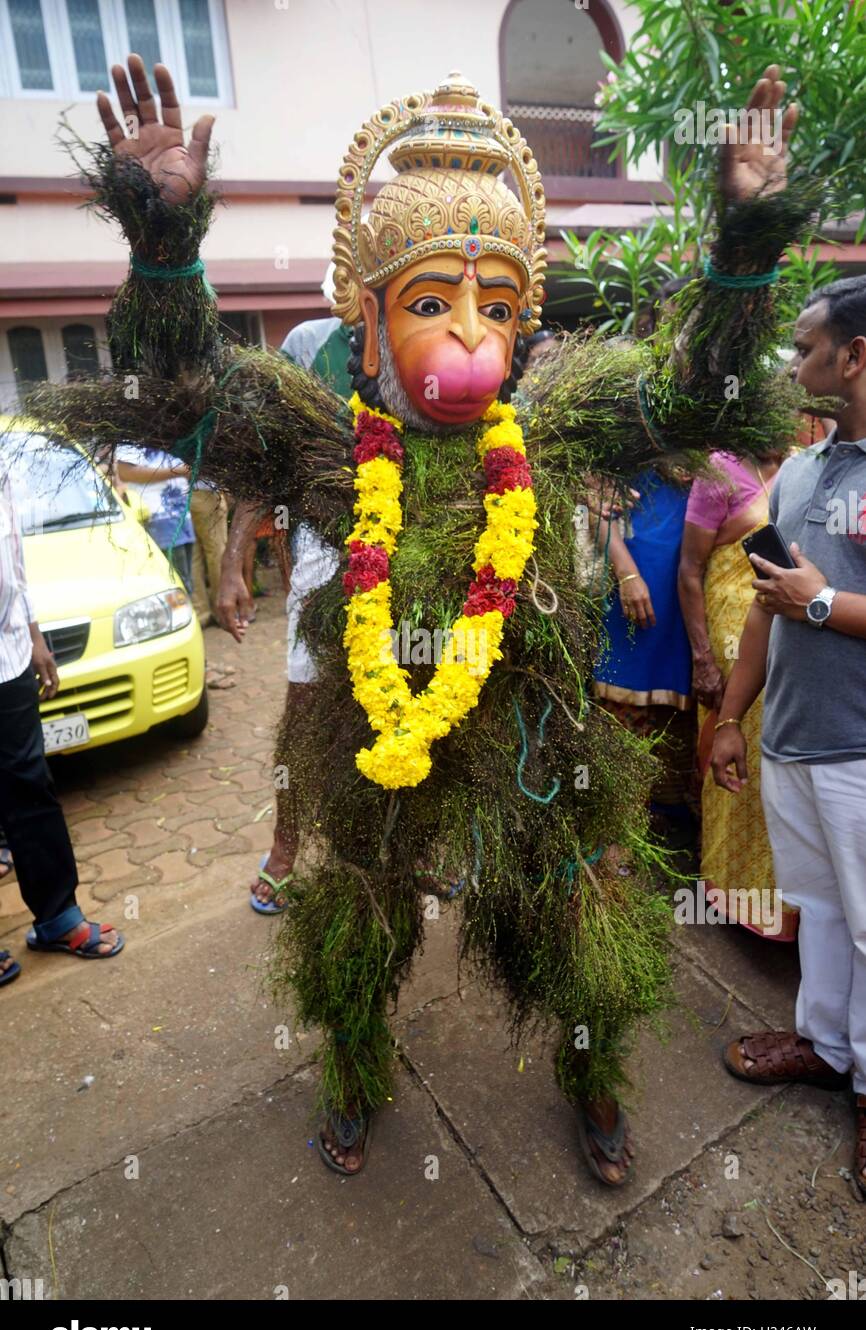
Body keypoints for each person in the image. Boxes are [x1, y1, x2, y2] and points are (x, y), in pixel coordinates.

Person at [29, 56, 809, 1187]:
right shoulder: (326, 445)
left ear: (524, 321)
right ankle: (354, 1075)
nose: (470, 335)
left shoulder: (555, 426)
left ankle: (592, 1079)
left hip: (536, 751)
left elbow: (694, 398)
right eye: (433, 303)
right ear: (371, 312)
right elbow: (182, 398)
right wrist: (162, 247)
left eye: (496, 307)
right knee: (356, 926)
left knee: (585, 929)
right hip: (377, 753)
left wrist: (742, 253)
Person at [712, 274, 866, 1198]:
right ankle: (826, 1046)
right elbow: (766, 608)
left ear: (855, 356)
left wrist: (823, 602)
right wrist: (732, 717)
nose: (793, 364)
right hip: (794, 741)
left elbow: (805, 601)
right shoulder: (801, 470)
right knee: (821, 910)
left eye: (806, 349)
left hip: (861, 751)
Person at [218, 305, 347, 913]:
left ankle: (414, 848)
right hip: (323, 554)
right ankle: (285, 849)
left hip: (414, 552)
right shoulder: (312, 343)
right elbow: (265, 463)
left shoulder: (434, 341)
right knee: (305, 709)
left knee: (413, 698)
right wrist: (233, 562)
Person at [0, 467, 123, 986]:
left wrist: (34, 637)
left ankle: (57, 917)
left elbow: (13, 561)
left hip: (7, 655)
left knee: (30, 783)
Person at [679, 448, 798, 941]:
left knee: (776, 767)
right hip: (733, 648)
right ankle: (729, 889)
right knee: (732, 757)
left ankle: (786, 904)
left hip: (789, 638)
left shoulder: (803, 466)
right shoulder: (719, 469)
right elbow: (690, 568)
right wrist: (702, 658)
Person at [593, 463, 695, 829]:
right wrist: (627, 574)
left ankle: (676, 826)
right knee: (623, 708)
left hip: (693, 587)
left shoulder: (717, 453)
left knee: (686, 715)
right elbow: (597, 506)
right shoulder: (623, 440)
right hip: (636, 577)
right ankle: (620, 830)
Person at [113, 444, 194, 593]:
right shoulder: (130, 442)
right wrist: (176, 472)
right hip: (157, 522)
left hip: (181, 519)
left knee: (186, 582)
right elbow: (126, 472)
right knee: (174, 586)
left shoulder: (169, 437)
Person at [190, 479, 228, 627]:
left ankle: (201, 613)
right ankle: (223, 610)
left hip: (178, 496)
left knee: (193, 557)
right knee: (217, 552)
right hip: (205, 493)